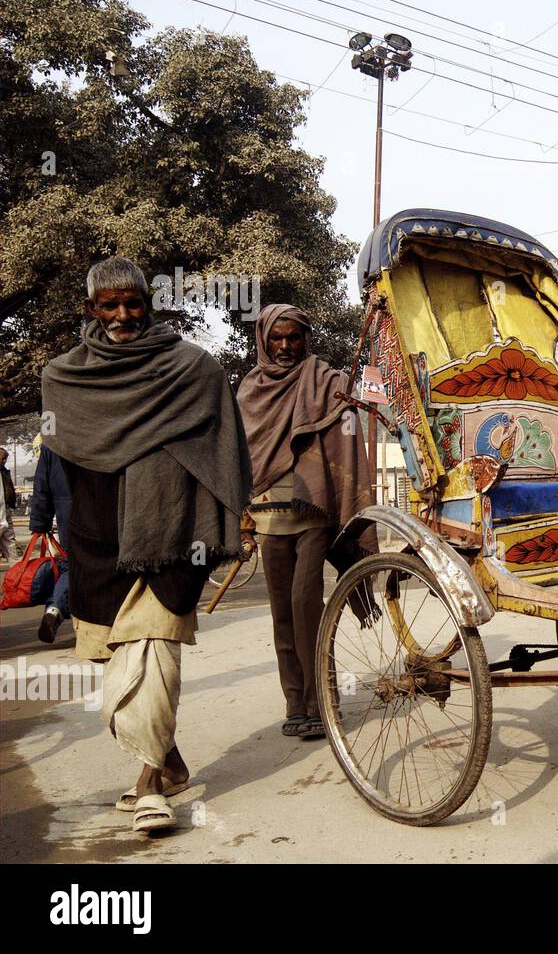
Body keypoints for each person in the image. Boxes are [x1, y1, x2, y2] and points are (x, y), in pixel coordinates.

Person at [41, 255, 252, 833]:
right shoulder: (63, 378)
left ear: (148, 303)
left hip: (171, 535)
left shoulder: (192, 370)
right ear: (91, 309)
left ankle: (148, 787)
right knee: (119, 666)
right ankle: (172, 761)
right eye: (109, 304)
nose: (122, 314)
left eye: (132, 302)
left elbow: (222, 449)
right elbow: (62, 462)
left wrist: (229, 519)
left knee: (154, 659)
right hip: (96, 539)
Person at [237, 304, 376, 741]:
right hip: (268, 513)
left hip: (314, 510)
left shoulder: (326, 380)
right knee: (281, 610)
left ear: (305, 339)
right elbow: (243, 458)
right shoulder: (248, 391)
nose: (284, 346)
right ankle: (294, 702)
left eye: (292, 337)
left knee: (304, 601)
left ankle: (321, 700)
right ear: (262, 339)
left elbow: (367, 396)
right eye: (276, 338)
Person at [29, 440, 73, 642]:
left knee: (71, 567)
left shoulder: (52, 443)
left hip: (69, 517)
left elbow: (42, 488)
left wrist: (40, 523)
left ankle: (55, 609)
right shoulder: (98, 426)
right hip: (104, 513)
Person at [0, 447, 16, 561]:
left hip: (5, 508)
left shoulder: (4, 472)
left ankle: (16, 572)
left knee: (10, 540)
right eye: (2, 458)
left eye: (5, 459)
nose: (4, 461)